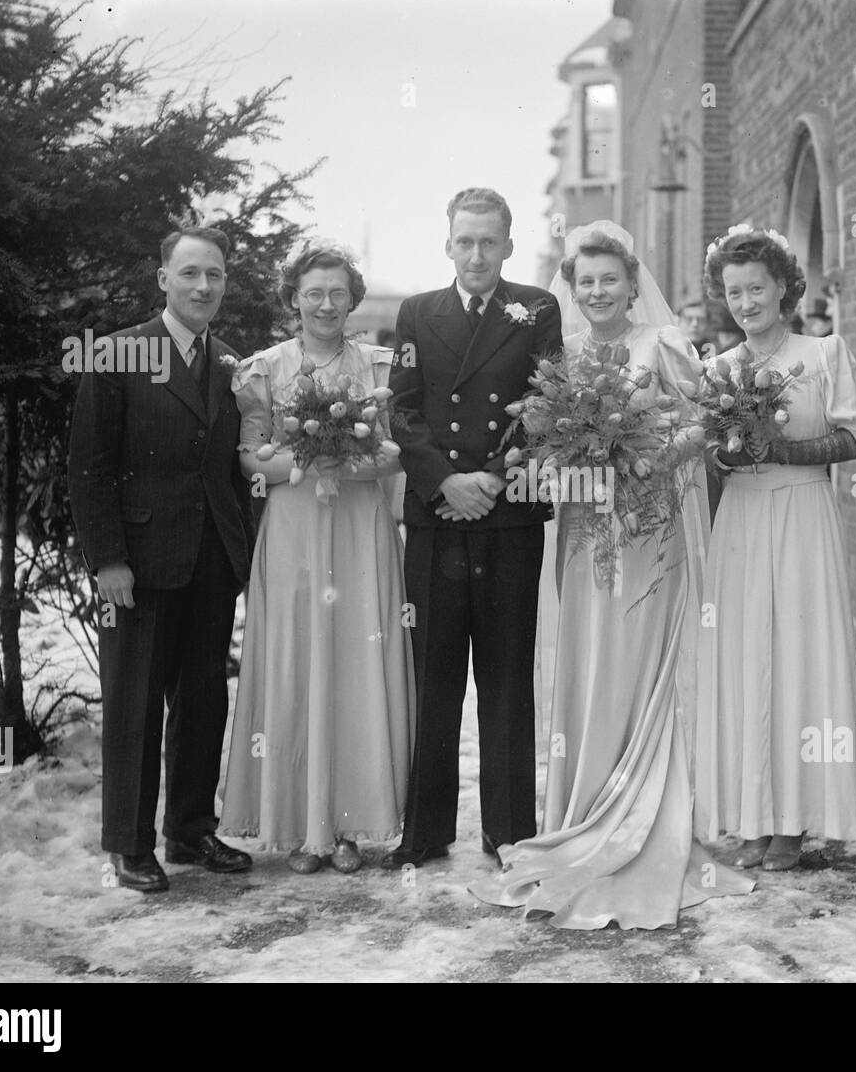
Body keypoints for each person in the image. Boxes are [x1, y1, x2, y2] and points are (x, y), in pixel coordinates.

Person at [470, 221, 754, 929]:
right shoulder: (559, 354)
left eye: (609, 279)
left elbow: (706, 423)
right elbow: (540, 438)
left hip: (650, 532)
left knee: (634, 667)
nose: (597, 291)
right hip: (583, 533)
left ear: (632, 283)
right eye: (585, 280)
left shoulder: (662, 345)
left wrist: (648, 457)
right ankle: (586, 808)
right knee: (590, 665)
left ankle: (645, 820)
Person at [69, 225, 256, 893]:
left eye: (214, 275)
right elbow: (89, 470)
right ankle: (128, 844)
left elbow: (237, 473)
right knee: (136, 705)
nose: (203, 286)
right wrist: (108, 560)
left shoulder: (233, 364)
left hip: (210, 564)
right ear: (163, 279)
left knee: (203, 700)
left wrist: (243, 555)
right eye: (190, 274)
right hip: (140, 566)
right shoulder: (118, 356)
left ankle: (189, 828)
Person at [218, 240, 414, 874]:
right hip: (296, 530)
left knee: (356, 661)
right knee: (297, 659)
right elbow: (248, 456)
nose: (326, 304)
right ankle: (302, 827)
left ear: (353, 299)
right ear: (293, 299)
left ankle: (354, 826)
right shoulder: (263, 369)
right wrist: (303, 458)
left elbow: (397, 453)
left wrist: (349, 458)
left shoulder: (380, 369)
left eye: (338, 293)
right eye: (313, 293)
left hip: (359, 527)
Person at [382, 188, 560, 869]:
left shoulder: (536, 307)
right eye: (465, 240)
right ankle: (425, 831)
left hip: (508, 512)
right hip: (436, 516)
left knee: (507, 676)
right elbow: (401, 410)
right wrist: (444, 482)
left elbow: (547, 398)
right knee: (433, 675)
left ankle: (509, 831)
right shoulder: (416, 313)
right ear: (448, 244)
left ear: (508, 245)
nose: (477, 253)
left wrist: (489, 475)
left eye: (490, 241)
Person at [694, 227, 856, 871]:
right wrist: (726, 451)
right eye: (733, 291)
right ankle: (750, 818)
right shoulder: (717, 369)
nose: (746, 301)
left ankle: (795, 823)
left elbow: (855, 439)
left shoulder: (825, 354)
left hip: (802, 511)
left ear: (784, 289)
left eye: (757, 288)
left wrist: (787, 451)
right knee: (744, 659)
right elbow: (710, 453)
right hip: (742, 519)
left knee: (800, 655)